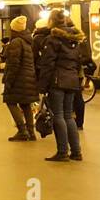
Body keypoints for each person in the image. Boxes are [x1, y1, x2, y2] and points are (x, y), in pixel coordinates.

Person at [37, 10, 85, 162]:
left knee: (58, 115)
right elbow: (78, 61)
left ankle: (62, 151)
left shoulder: (53, 39)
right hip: (72, 80)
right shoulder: (75, 39)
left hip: (57, 80)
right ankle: (76, 152)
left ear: (51, 21)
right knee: (68, 115)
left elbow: (48, 64)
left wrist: (42, 87)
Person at [2, 15, 38, 141]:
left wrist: (9, 81)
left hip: (19, 78)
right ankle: (31, 132)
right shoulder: (28, 41)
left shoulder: (16, 42)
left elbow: (13, 64)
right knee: (26, 104)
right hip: (28, 76)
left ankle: (22, 131)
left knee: (10, 102)